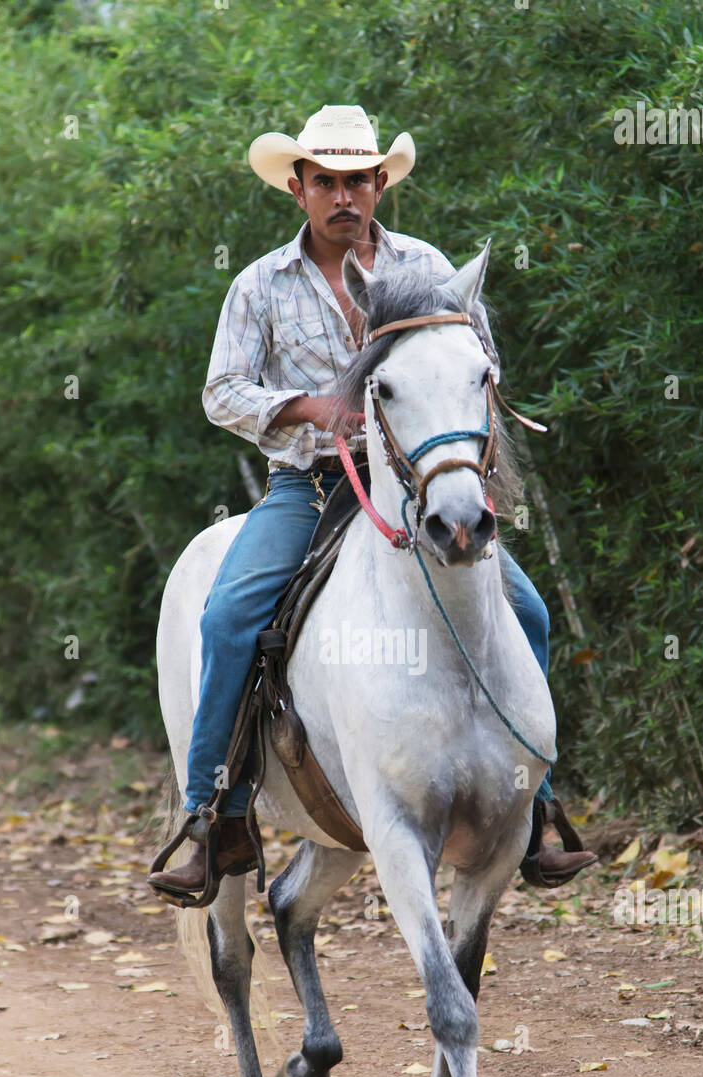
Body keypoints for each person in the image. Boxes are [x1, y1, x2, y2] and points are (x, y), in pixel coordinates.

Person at [149, 104, 595, 902]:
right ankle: (213, 815)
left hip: (420, 484)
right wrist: (306, 408)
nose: (343, 196)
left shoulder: (428, 267)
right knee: (228, 618)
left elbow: (478, 363)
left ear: (380, 183)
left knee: (527, 612)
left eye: (358, 179)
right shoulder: (259, 284)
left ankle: (539, 807)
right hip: (312, 486)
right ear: (299, 189)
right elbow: (221, 392)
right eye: (327, 181)